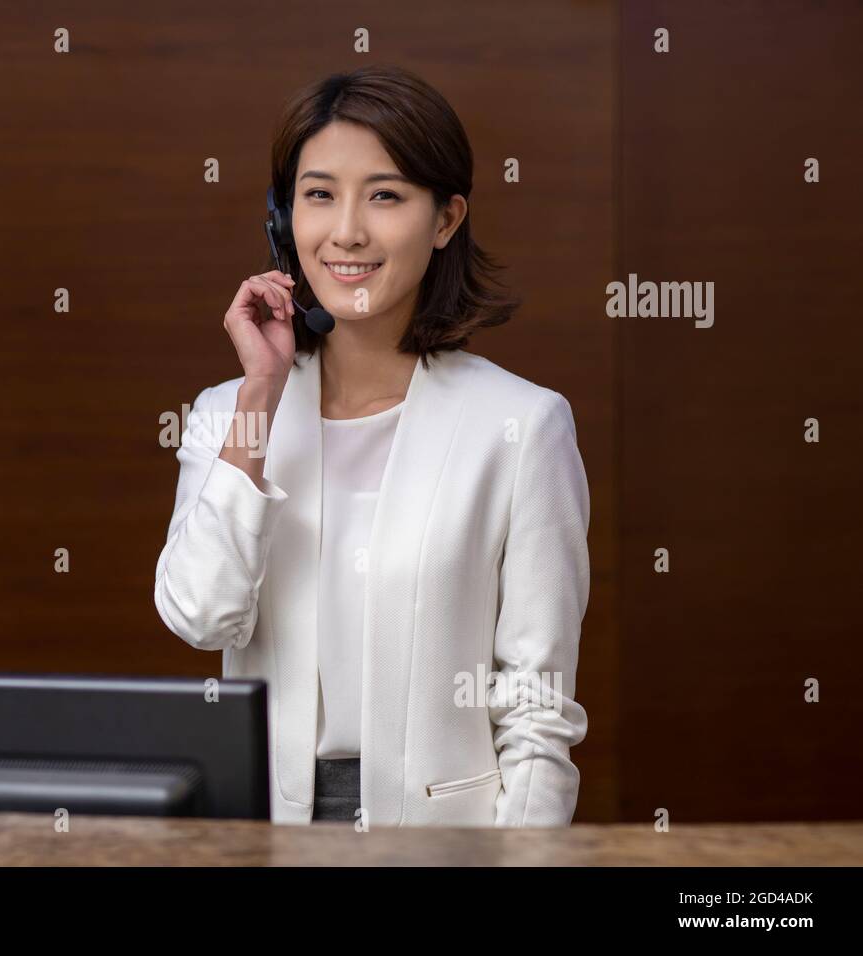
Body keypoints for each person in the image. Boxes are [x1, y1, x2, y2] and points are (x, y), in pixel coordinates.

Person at [155, 65, 591, 827]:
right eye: (319, 194)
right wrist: (260, 390)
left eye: (384, 196)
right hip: (265, 829)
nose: (347, 231)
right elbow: (200, 615)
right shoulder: (229, 415)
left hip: (446, 841)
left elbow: (536, 712)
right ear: (282, 219)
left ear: (446, 218)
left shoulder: (521, 426)